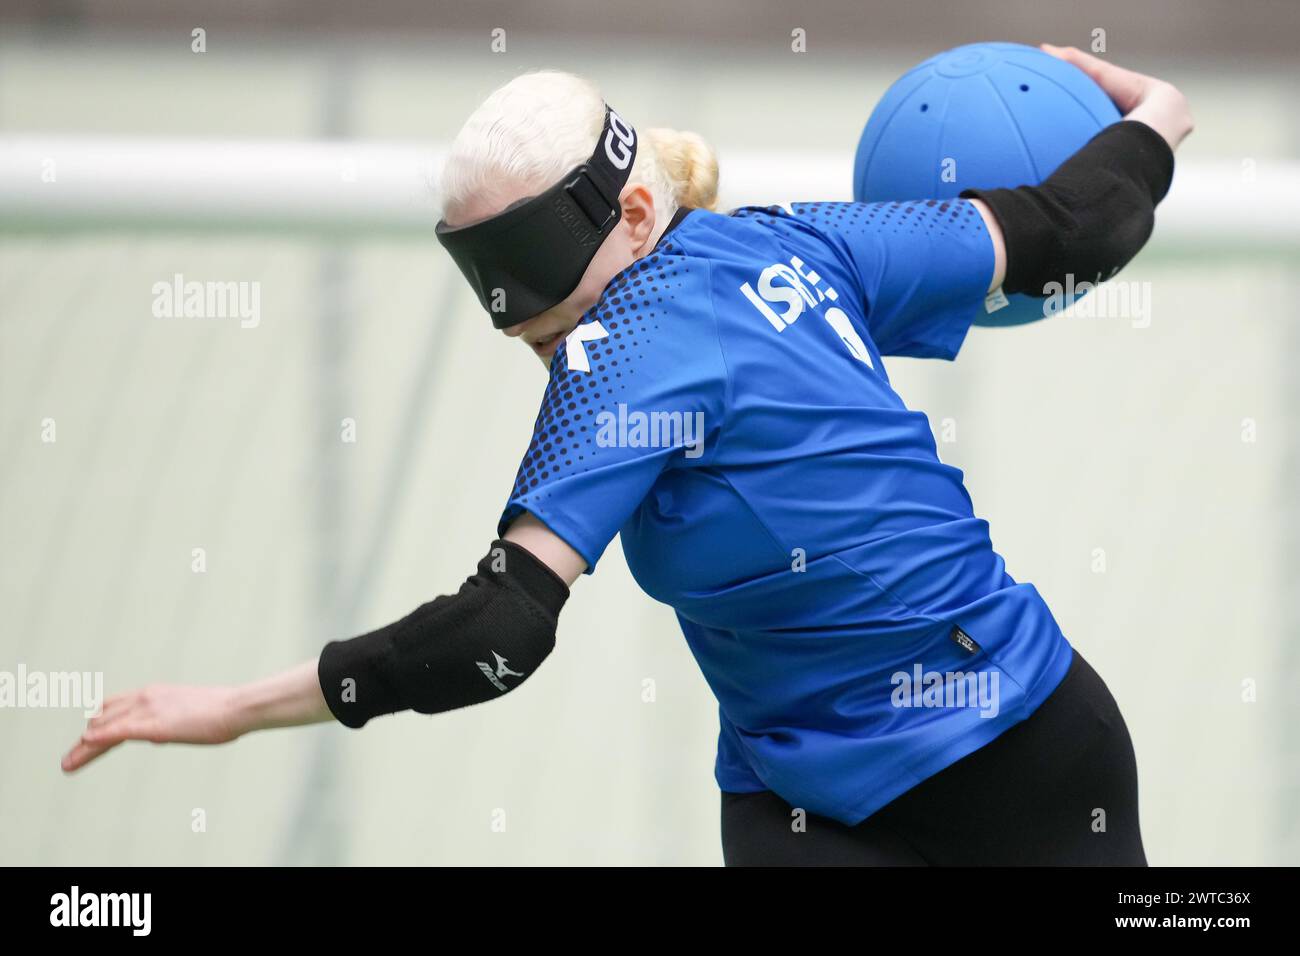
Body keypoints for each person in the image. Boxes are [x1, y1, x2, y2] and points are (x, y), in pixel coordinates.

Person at [62, 44, 1194, 866]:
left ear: (642, 207)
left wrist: (237, 706)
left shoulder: (619, 348)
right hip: (862, 777)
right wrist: (1158, 112)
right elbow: (1071, 226)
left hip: (1001, 762)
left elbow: (497, 633)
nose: (547, 341)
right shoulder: (803, 239)